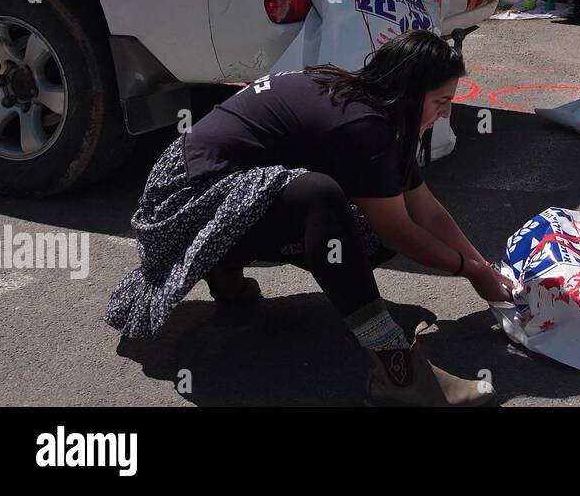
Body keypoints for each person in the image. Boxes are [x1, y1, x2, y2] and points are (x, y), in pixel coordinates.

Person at [106, 31, 513, 407]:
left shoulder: (365, 103)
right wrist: (470, 270)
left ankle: (223, 270)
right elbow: (400, 231)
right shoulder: (361, 124)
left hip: (208, 189)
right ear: (409, 93)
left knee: (359, 217)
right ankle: (399, 373)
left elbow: (423, 207)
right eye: (440, 103)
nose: (445, 116)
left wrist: (483, 267)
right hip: (180, 206)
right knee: (320, 199)